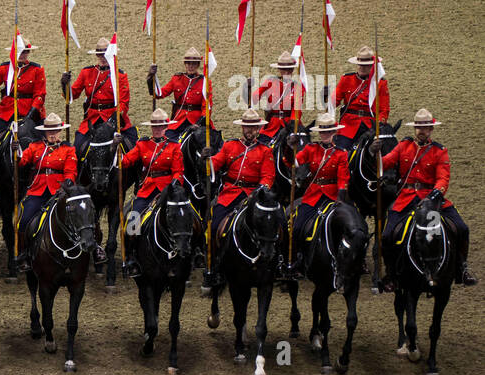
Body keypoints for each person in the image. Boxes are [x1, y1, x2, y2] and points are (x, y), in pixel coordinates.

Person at [378, 108, 475, 288]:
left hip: (431, 199)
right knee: (386, 236)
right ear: (415, 128)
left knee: (462, 228)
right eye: (419, 127)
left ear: (431, 129)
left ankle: (462, 268)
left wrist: (435, 194)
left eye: (426, 127)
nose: (422, 131)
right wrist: (373, 152)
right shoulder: (403, 146)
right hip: (406, 198)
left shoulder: (440, 151)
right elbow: (384, 163)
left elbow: (443, 178)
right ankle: (391, 275)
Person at [200, 109, 277, 285]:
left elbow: (268, 176)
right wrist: (206, 159)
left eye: (253, 127)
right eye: (247, 127)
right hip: (230, 193)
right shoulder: (230, 146)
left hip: (253, 195)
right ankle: (211, 267)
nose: (250, 131)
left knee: (275, 224)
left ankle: (277, 262)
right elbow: (216, 164)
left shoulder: (265, 151)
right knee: (212, 227)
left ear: (259, 129)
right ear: (242, 128)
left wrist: (260, 191)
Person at [120, 109, 186, 277]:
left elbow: (178, 172)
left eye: (161, 126)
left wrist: (174, 183)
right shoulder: (142, 145)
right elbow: (126, 161)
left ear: (166, 127)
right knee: (133, 216)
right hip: (148, 188)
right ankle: (131, 256)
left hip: (168, 189)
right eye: (155, 127)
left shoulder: (174, 146)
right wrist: (117, 148)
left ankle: (191, 252)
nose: (157, 129)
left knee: (188, 215)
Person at [284, 113, 350, 278]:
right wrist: (289, 148)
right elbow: (293, 162)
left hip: (333, 195)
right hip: (313, 194)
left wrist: (341, 197)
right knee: (297, 226)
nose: (325, 135)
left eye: (329, 132)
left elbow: (343, 178)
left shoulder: (341, 153)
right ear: (319, 133)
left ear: (334, 133)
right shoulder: (310, 149)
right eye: (323, 132)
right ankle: (297, 259)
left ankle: (348, 261)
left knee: (350, 227)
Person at [11, 112, 76, 272]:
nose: (52, 134)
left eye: (55, 130)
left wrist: (66, 185)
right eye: (49, 131)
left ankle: (85, 250)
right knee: (23, 220)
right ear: (45, 132)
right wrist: (16, 152)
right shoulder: (35, 147)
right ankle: (24, 254)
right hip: (38, 190)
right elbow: (22, 162)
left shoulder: (68, 149)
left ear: (60, 131)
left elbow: (70, 172)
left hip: (59, 192)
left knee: (79, 219)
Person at [0, 37, 45, 184]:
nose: (22, 54)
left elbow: (40, 94)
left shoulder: (37, 69)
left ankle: (44, 172)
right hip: (7, 111)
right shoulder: (4, 68)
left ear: (28, 53)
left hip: (31, 112)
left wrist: (31, 113)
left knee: (45, 139)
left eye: (25, 52)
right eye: (19, 51)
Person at [64, 36, 136, 155]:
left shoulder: (120, 75)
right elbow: (73, 95)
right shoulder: (86, 72)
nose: (102, 57)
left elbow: (124, 102)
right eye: (99, 55)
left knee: (132, 146)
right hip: (92, 119)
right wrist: (65, 84)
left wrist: (112, 121)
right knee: (77, 148)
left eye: (105, 54)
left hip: (113, 118)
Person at [332, 46, 390, 149]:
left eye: (366, 65)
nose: (361, 68)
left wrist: (378, 126)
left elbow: (384, 110)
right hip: (348, 126)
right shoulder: (346, 79)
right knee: (341, 151)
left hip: (370, 126)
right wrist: (325, 97)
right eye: (360, 65)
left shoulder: (380, 83)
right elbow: (332, 104)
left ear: (372, 66)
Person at [148, 47, 214, 132]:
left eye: (194, 64)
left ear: (198, 65)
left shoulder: (205, 82)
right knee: (167, 139)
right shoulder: (177, 79)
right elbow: (159, 94)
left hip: (197, 121)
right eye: (188, 63)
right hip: (179, 120)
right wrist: (151, 78)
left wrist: (198, 123)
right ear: (185, 64)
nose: (191, 66)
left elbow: (207, 107)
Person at [250, 51, 303, 139]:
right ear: (279, 69)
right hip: (272, 125)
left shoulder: (297, 87)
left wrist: (293, 124)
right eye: (283, 69)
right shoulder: (271, 82)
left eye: (289, 69)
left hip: (290, 124)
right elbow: (254, 99)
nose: (286, 72)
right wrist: (248, 87)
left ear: (293, 70)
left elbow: (297, 109)